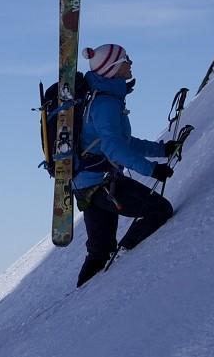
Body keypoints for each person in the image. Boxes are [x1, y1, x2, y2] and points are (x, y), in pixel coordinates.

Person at [72, 43, 179, 287]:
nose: (130, 63)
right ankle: (125, 259)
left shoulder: (103, 98)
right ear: (112, 68)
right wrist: (152, 169)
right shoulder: (105, 104)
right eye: (125, 59)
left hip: (88, 185)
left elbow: (124, 142)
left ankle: (77, 304)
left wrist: (161, 151)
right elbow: (114, 148)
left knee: (99, 253)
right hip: (102, 185)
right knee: (159, 210)